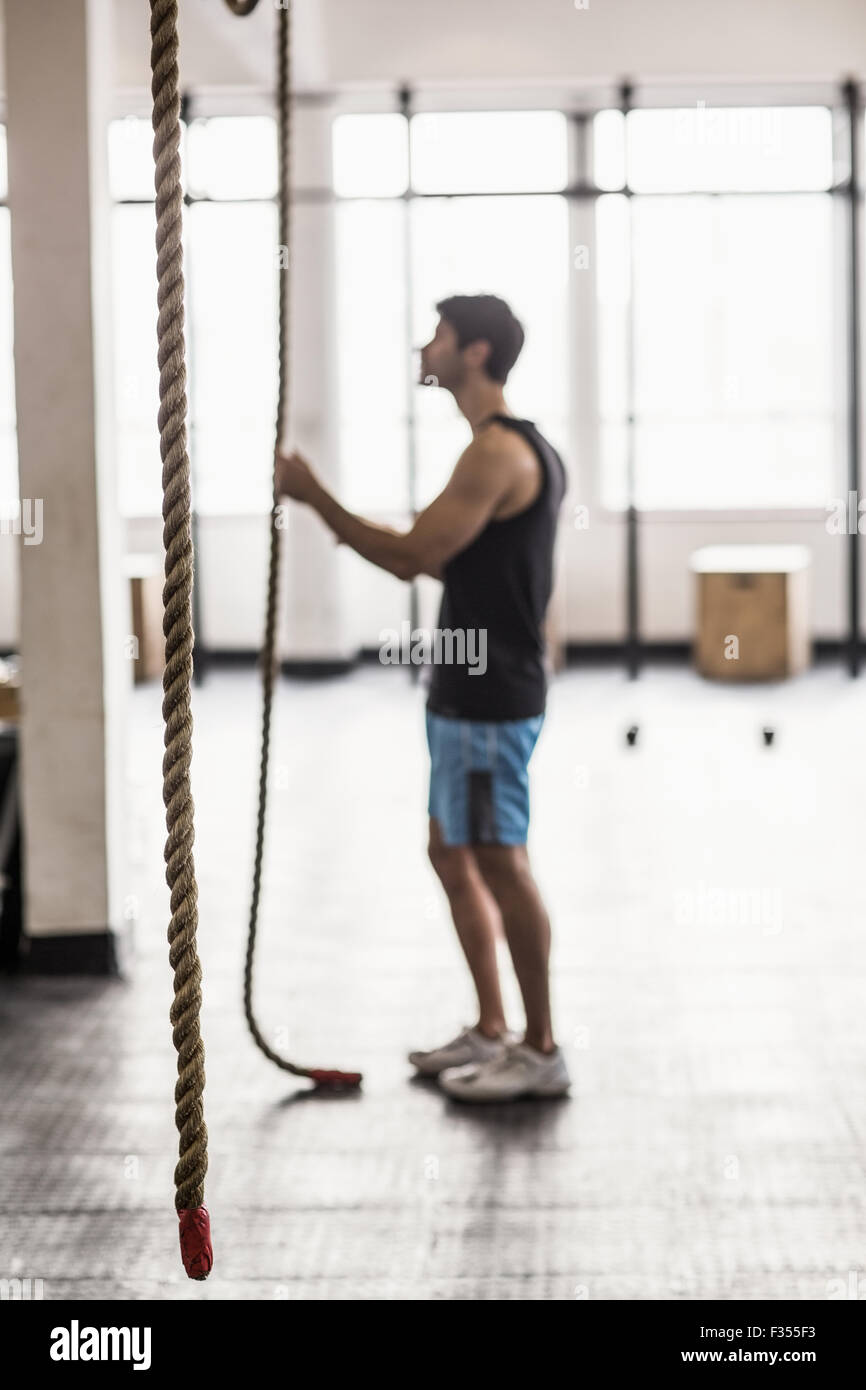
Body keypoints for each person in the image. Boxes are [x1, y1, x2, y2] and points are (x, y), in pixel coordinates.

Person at [274, 293, 570, 1101]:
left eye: (438, 335)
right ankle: (490, 1028)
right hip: (466, 690)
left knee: (500, 861)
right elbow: (452, 560)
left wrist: (313, 497)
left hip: (487, 699)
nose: (425, 346)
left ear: (474, 353)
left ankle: (540, 1048)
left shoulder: (498, 453)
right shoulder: (502, 449)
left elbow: (412, 557)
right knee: (452, 851)